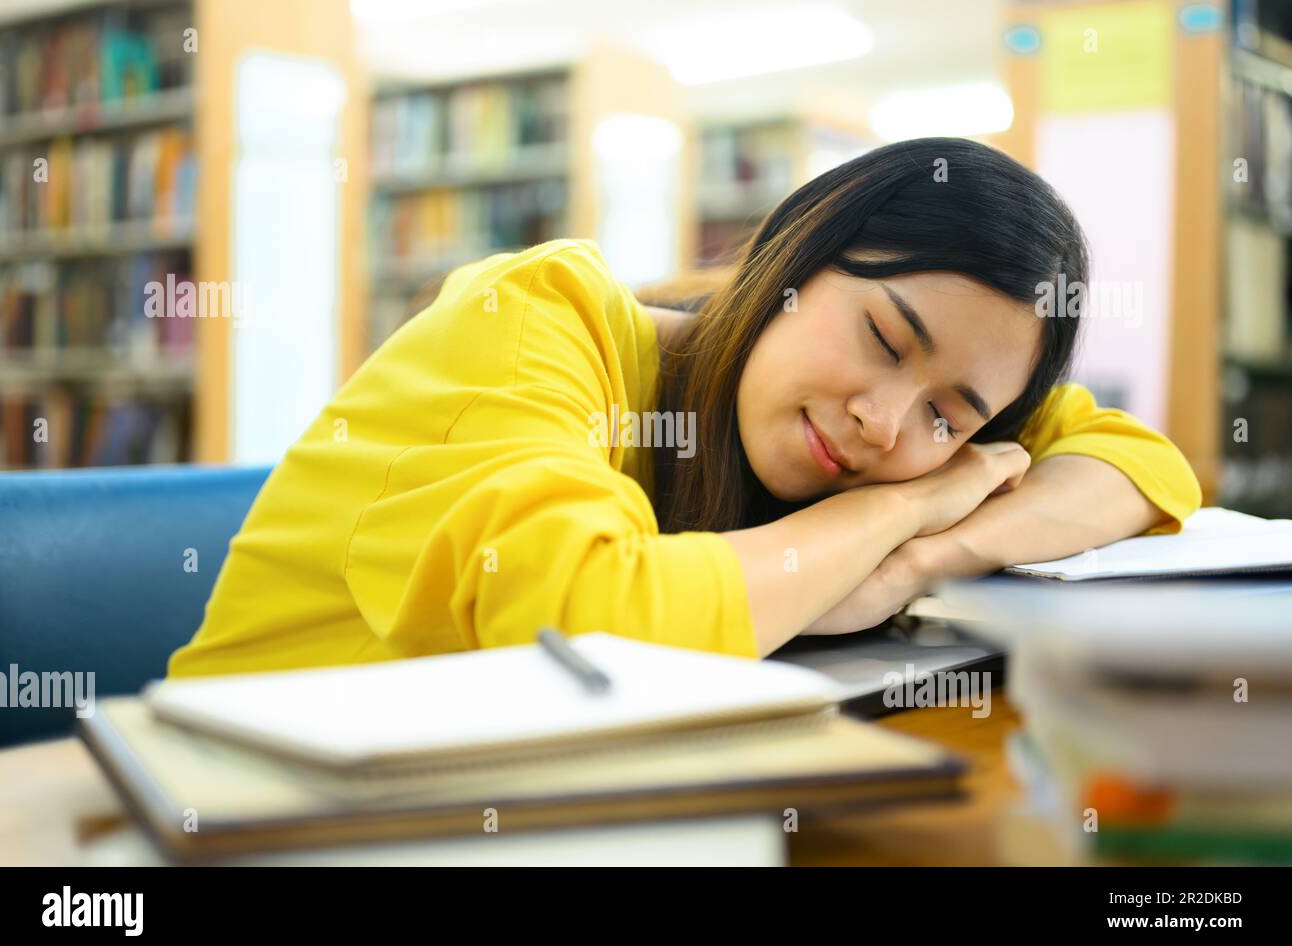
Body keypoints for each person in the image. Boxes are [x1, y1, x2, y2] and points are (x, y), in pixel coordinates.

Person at [167, 137, 1200, 676]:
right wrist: (894, 511)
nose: (887, 423)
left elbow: (1143, 465)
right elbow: (591, 618)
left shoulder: (918, 423)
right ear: (794, 252)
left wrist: (920, 562)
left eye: (950, 417)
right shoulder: (536, 319)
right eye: (885, 339)